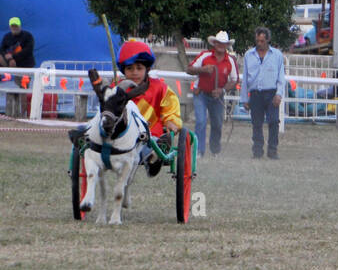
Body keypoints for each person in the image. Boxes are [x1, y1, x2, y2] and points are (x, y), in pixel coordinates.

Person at [87, 41, 183, 177]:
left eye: (139, 68)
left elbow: (171, 107)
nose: (135, 72)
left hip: (148, 137)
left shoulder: (160, 89)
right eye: (130, 68)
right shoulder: (115, 89)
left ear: (147, 69)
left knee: (149, 143)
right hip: (118, 137)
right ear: (123, 70)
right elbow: (104, 112)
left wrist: (171, 121)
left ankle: (154, 158)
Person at [186, 30, 239, 158]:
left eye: (224, 43)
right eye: (219, 43)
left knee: (217, 123)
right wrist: (202, 69)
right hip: (201, 93)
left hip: (217, 96)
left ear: (227, 45)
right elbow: (189, 69)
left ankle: (215, 150)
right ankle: (199, 150)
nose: (221, 45)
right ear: (214, 43)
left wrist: (222, 90)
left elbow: (234, 79)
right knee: (201, 121)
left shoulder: (230, 61)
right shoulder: (205, 56)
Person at [241, 27, 287, 160]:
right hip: (255, 94)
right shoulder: (249, 55)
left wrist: (279, 94)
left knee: (273, 121)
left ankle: (272, 151)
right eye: (257, 41)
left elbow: (281, 77)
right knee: (256, 123)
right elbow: (245, 78)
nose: (259, 43)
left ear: (267, 40)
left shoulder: (277, 55)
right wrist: (245, 98)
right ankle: (257, 151)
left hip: (271, 93)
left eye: (262, 41)